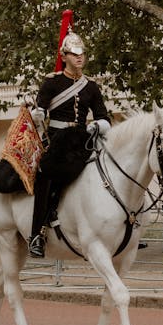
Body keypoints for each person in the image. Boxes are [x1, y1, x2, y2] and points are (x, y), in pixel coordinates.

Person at [26, 24, 111, 258]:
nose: (80, 57)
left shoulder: (91, 87)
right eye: (74, 53)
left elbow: (104, 117)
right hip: (57, 140)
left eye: (82, 53)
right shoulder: (52, 83)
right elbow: (40, 109)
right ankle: (37, 233)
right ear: (64, 56)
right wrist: (38, 114)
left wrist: (97, 125)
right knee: (45, 177)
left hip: (83, 140)